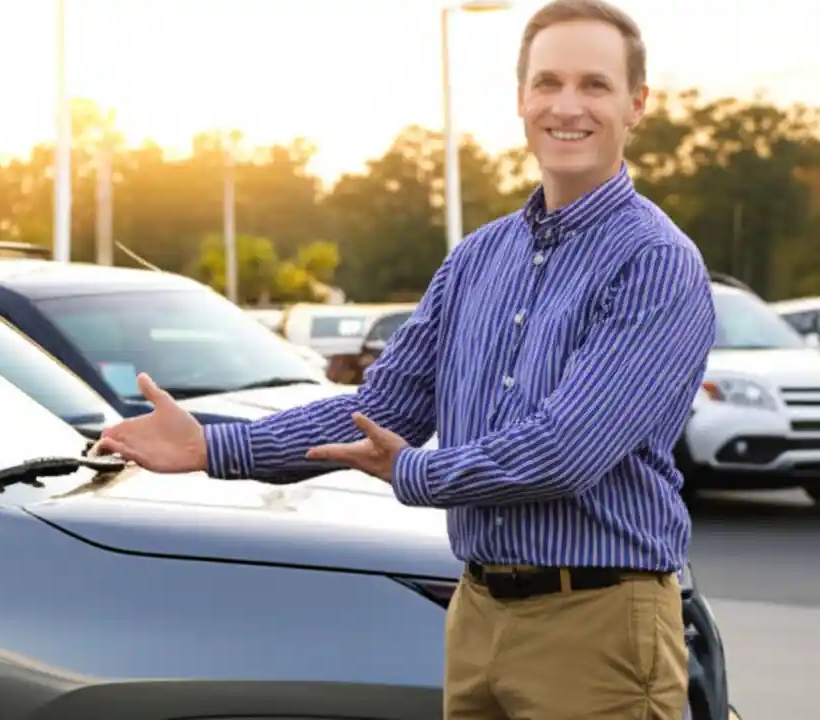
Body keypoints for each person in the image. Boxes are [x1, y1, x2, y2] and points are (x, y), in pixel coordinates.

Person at [93, 0, 717, 717]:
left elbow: (563, 451)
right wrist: (211, 445)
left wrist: (413, 472)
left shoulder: (655, 263)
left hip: (598, 627)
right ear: (521, 98)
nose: (566, 106)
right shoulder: (477, 257)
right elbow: (381, 411)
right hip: (477, 611)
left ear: (636, 104)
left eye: (595, 85)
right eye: (547, 82)